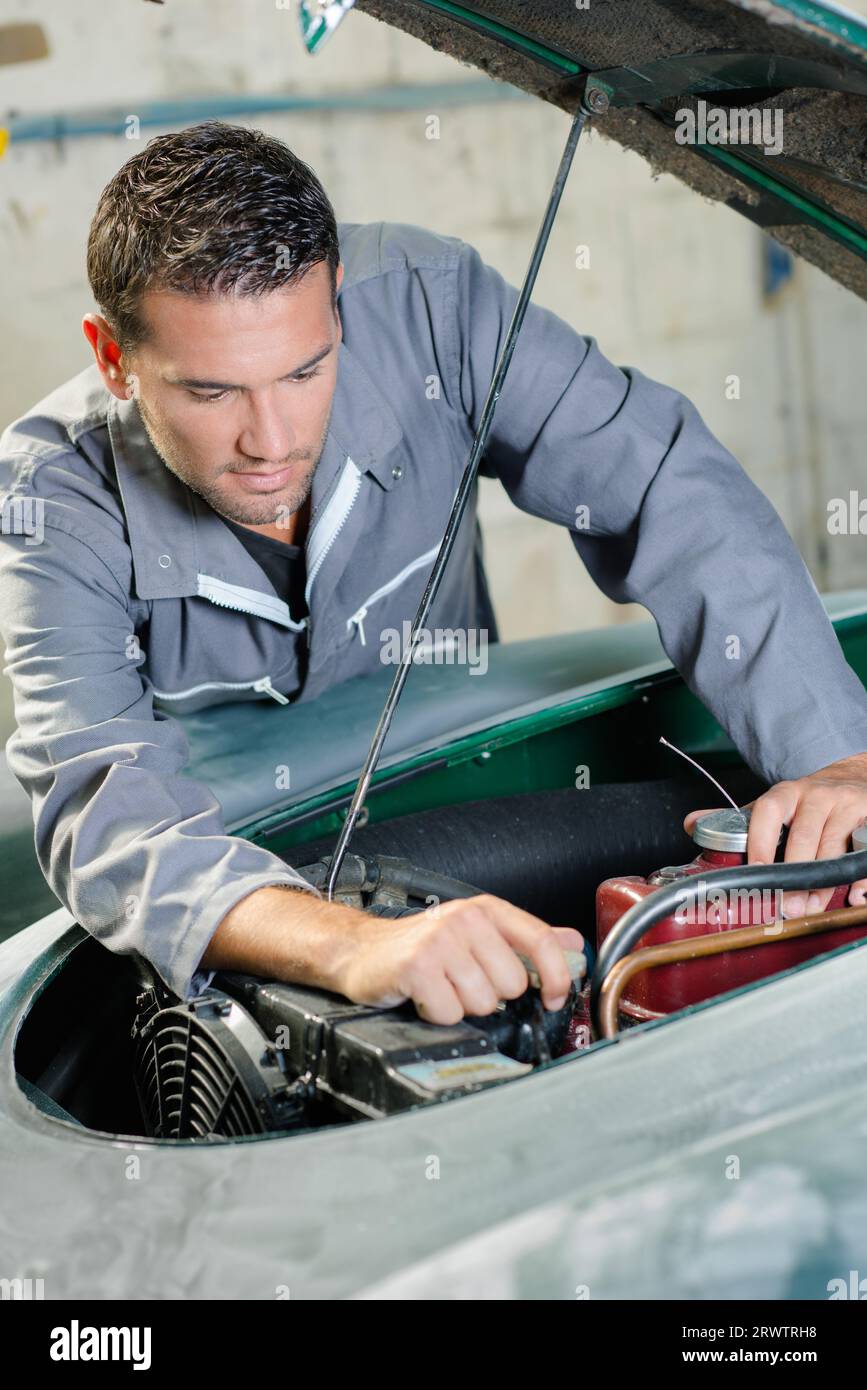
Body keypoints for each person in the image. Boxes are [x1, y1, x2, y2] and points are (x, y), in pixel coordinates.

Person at [2, 121, 866, 1025]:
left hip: (459, 777)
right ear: (114, 359)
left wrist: (836, 756)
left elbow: (660, 483)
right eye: (211, 392)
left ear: (336, 303)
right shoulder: (51, 500)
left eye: (303, 371)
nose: (271, 440)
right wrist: (352, 943)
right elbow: (111, 815)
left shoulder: (433, 308)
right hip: (231, 861)